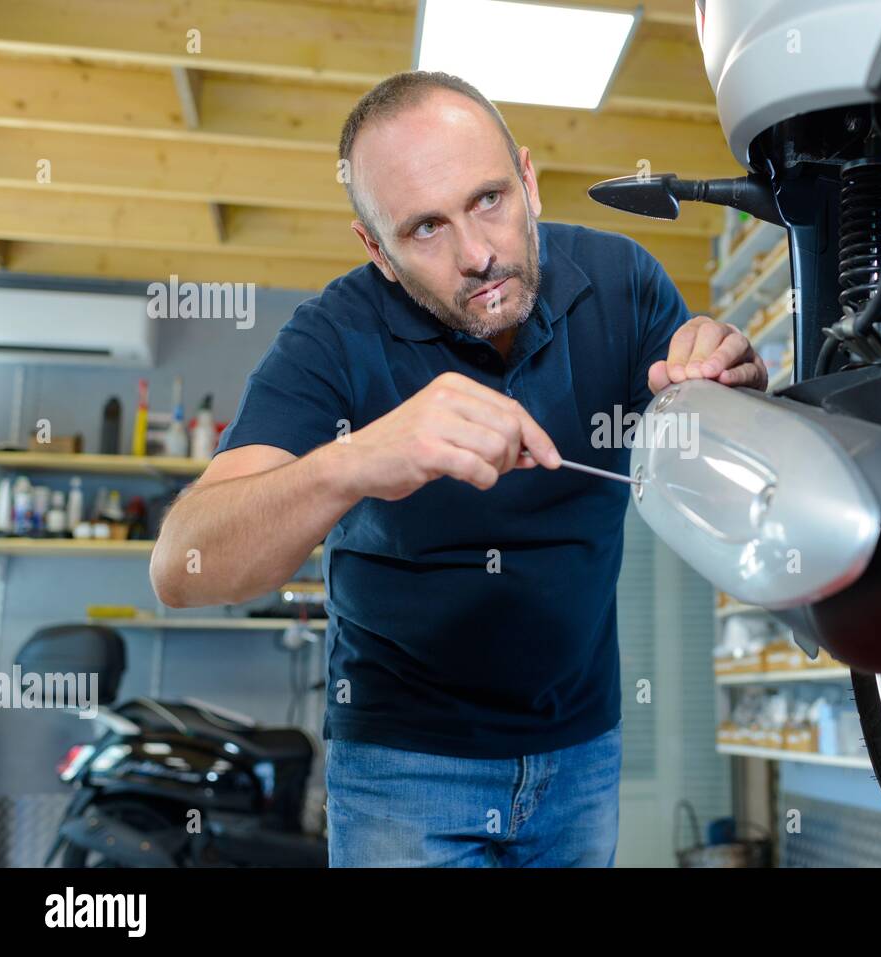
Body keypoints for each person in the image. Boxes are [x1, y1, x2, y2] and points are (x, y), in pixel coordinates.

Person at [150, 71, 767, 867]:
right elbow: (181, 565)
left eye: (488, 200)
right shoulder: (333, 336)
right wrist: (356, 460)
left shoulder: (623, 282)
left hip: (583, 749)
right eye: (425, 229)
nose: (479, 255)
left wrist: (729, 384)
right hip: (402, 768)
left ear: (530, 181)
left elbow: (715, 464)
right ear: (375, 248)